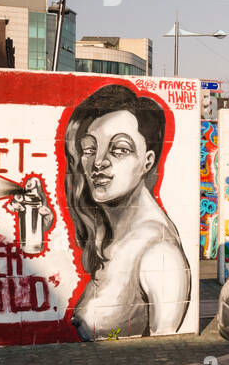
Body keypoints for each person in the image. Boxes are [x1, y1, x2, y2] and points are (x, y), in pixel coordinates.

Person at [59, 85, 191, 340]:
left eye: (119, 149)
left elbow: (164, 354)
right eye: (89, 149)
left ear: (148, 161)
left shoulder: (158, 253)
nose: (98, 162)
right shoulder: (110, 233)